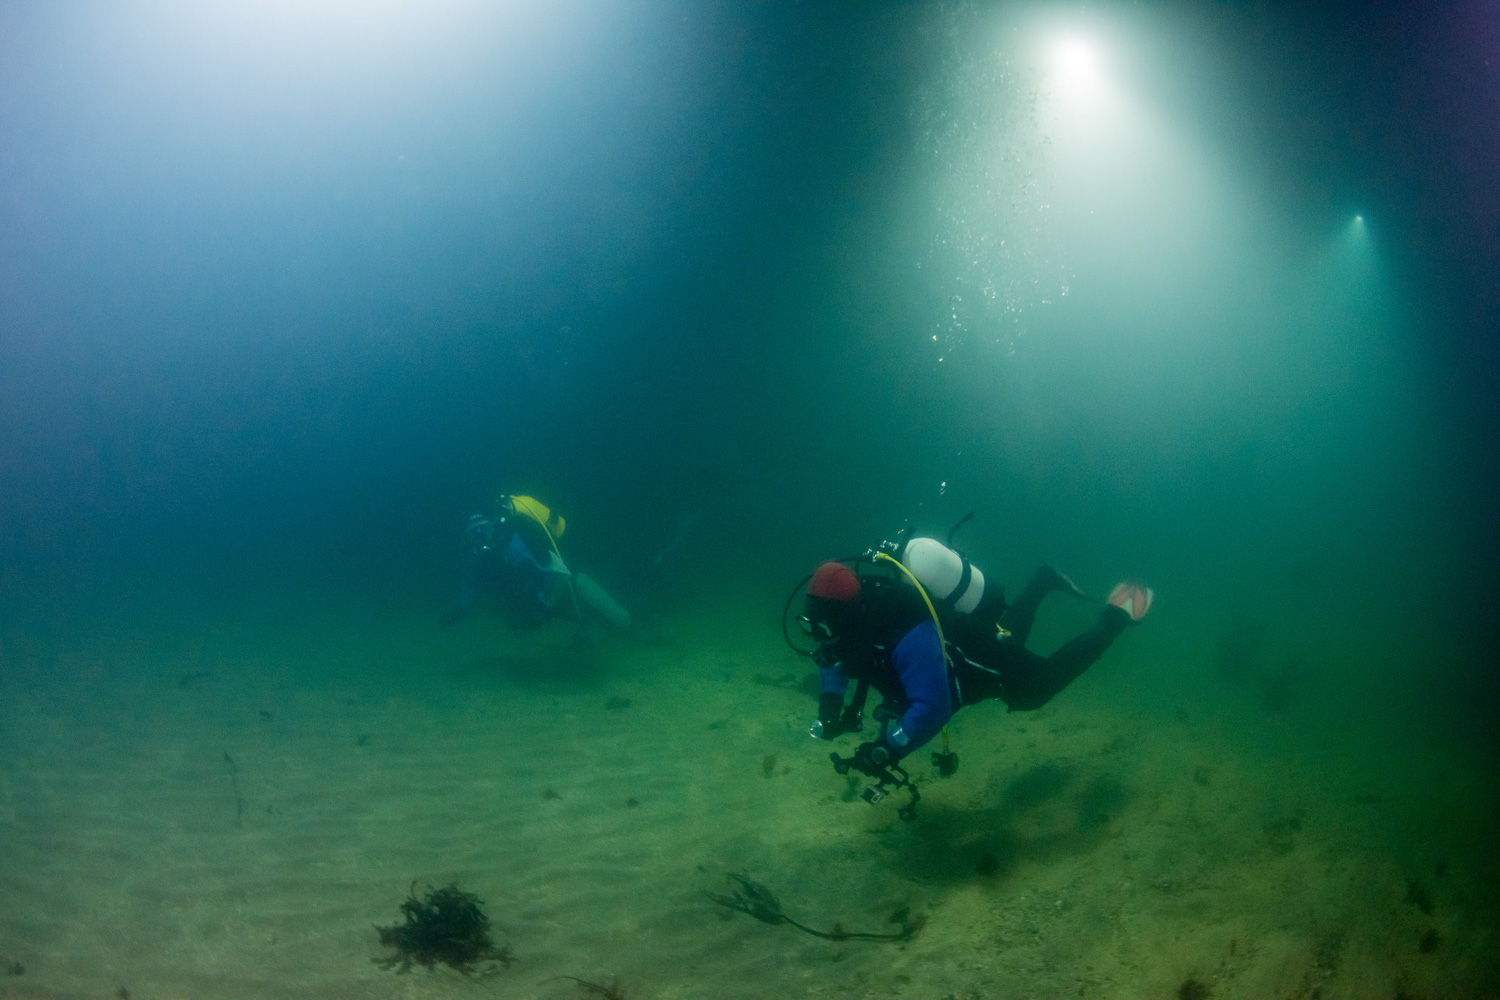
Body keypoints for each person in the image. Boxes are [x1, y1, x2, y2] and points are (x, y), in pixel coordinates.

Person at [799, 536, 1151, 782]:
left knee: (1033, 689)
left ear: (841, 615)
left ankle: (1114, 619)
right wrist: (829, 706)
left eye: (825, 623)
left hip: (974, 660)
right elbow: (836, 656)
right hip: (967, 645)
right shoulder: (853, 623)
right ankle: (1041, 581)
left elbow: (932, 709)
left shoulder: (905, 637)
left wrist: (887, 749)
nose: (822, 632)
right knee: (1005, 639)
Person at [449, 493, 632, 633]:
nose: (481, 539)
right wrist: (459, 609)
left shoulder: (514, 545)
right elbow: (472, 586)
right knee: (582, 615)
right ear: (468, 540)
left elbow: (560, 572)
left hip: (566, 584)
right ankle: (598, 631)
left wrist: (544, 605)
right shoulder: (481, 562)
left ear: (494, 527)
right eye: (474, 535)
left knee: (609, 612)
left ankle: (633, 630)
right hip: (542, 596)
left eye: (484, 531)